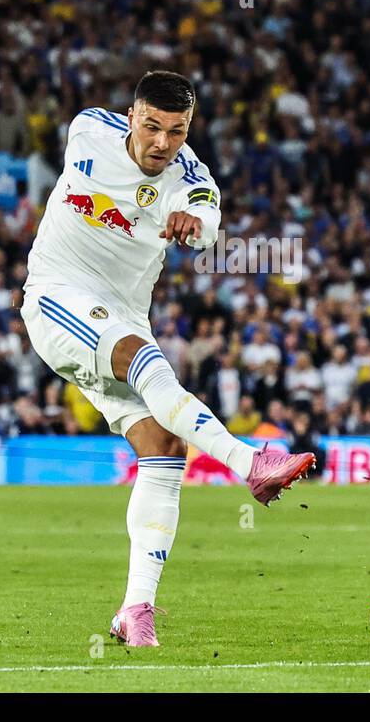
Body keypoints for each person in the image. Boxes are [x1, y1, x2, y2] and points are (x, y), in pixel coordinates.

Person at [20, 70, 314, 648]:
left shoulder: (192, 179)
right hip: (57, 295)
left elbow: (204, 220)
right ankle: (247, 461)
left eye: (176, 132)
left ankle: (136, 609)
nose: (161, 143)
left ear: (189, 128)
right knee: (140, 357)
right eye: (152, 126)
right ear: (131, 115)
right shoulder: (87, 128)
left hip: (120, 314)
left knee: (164, 449)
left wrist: (193, 225)